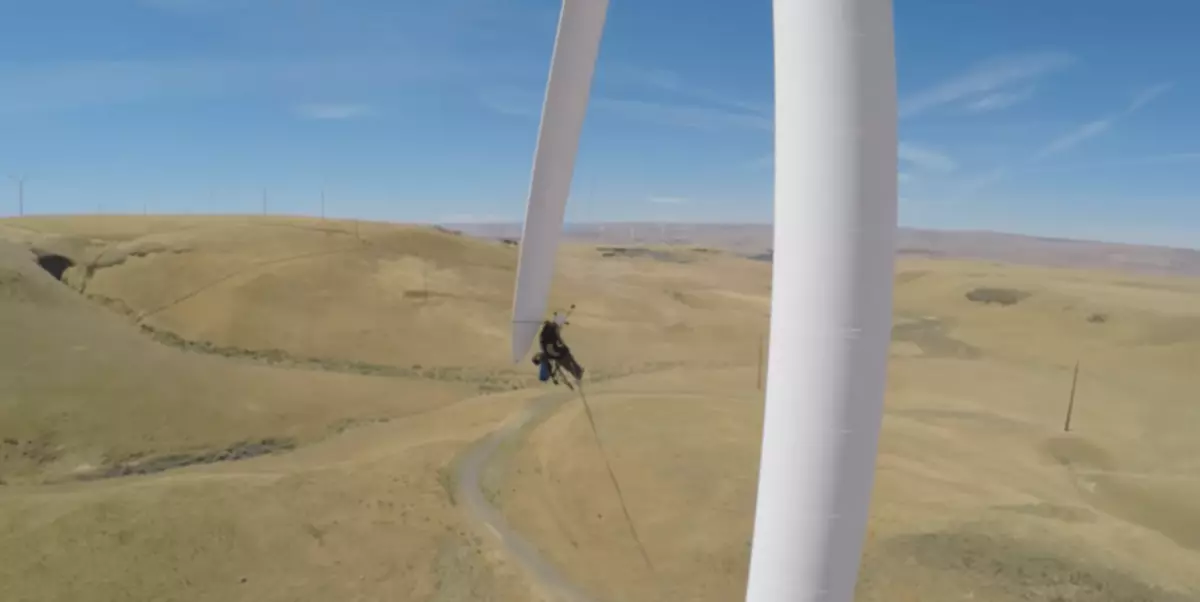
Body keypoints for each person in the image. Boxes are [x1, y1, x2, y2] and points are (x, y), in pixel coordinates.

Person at [537, 311, 583, 383]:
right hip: (554, 353)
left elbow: (554, 342)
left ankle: (577, 372)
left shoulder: (548, 329)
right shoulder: (552, 331)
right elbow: (556, 342)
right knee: (567, 358)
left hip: (550, 352)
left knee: (567, 356)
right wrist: (562, 349)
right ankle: (577, 373)